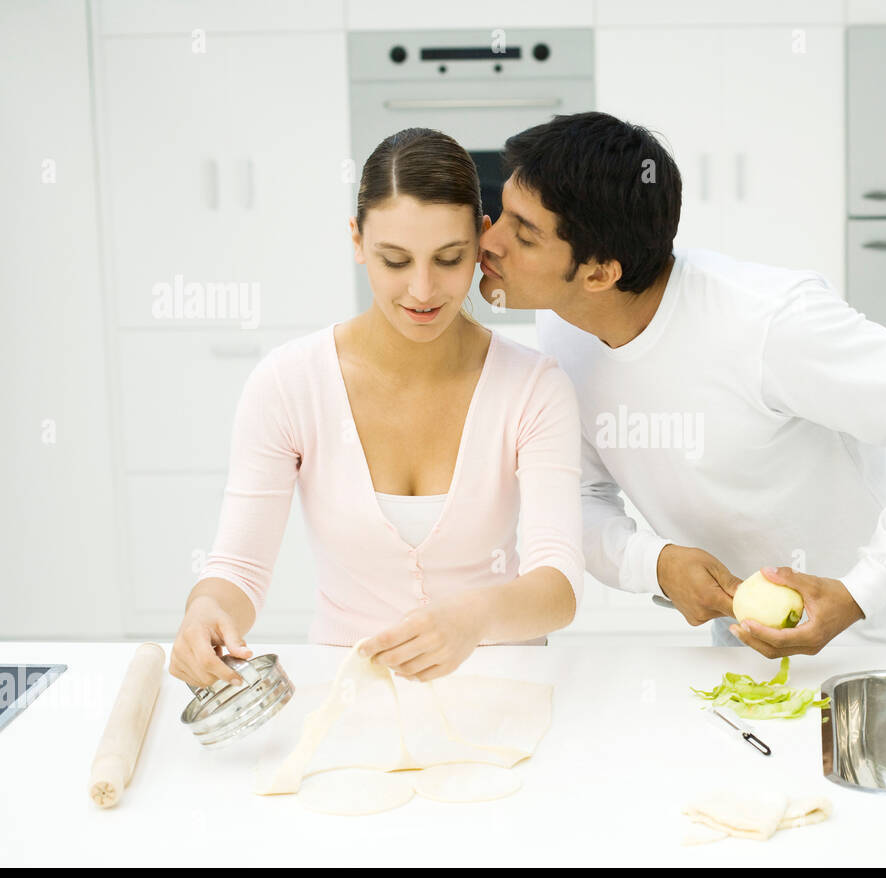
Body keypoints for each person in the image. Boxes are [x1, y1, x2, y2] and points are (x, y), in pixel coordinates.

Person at [475, 111, 886, 655]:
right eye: (504, 212)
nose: (491, 241)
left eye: (526, 234)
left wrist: (860, 593)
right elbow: (581, 495)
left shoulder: (768, 322)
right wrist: (653, 565)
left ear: (600, 273)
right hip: (752, 646)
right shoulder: (562, 323)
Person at [169, 128, 584, 690]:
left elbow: (557, 585)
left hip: (502, 685)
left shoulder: (532, 387)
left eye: (449, 258)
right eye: (394, 260)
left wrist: (474, 618)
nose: (422, 289)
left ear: (482, 241)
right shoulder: (289, 383)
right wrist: (205, 612)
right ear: (358, 242)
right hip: (346, 692)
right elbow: (237, 571)